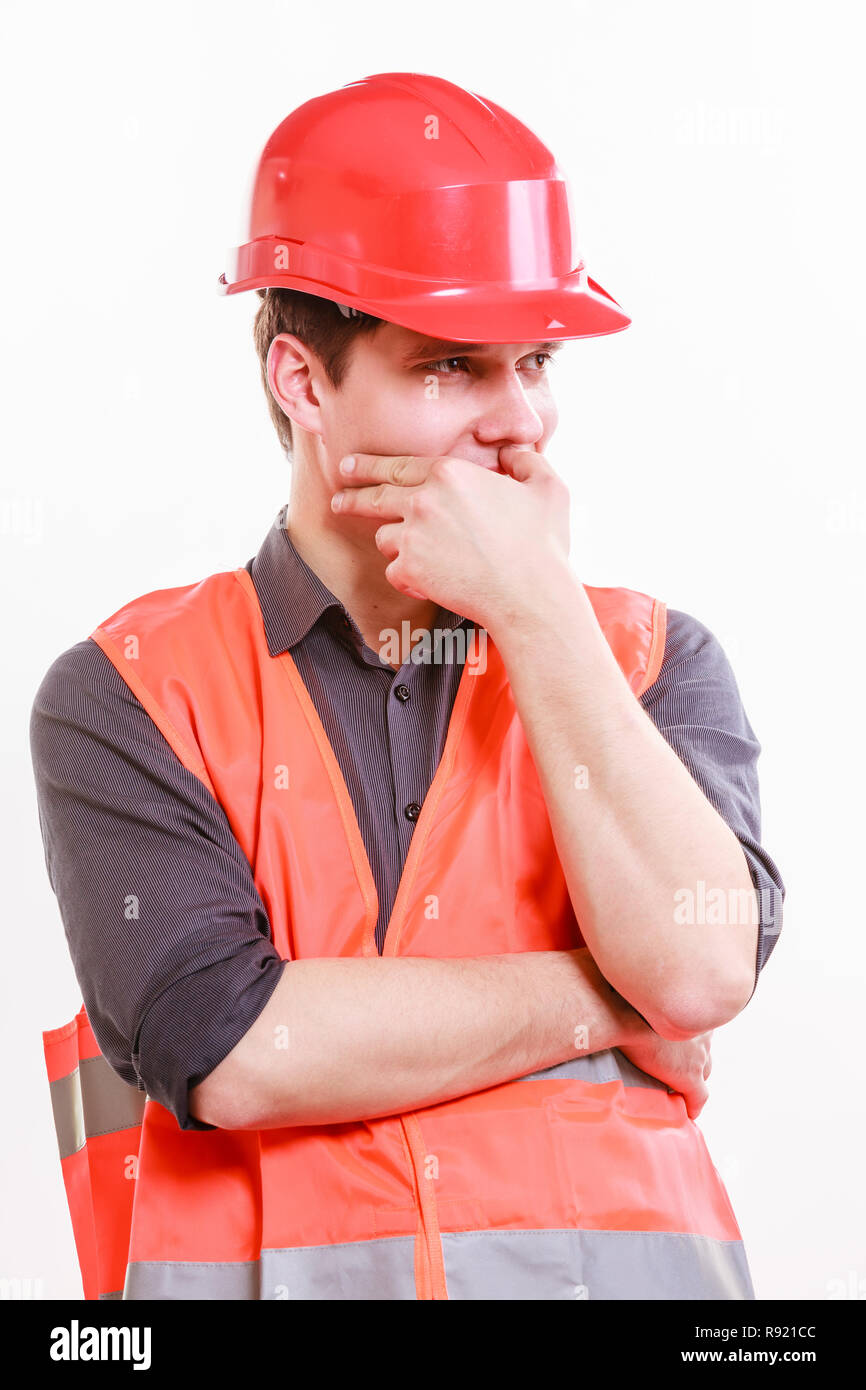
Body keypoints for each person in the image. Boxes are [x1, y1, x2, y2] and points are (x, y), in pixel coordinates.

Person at [31, 72, 784, 1301]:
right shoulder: (131, 694)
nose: (521, 422)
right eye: (450, 367)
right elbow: (231, 1049)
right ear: (303, 383)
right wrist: (605, 996)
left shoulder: (648, 661)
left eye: (532, 360)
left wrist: (537, 608)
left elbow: (698, 974)